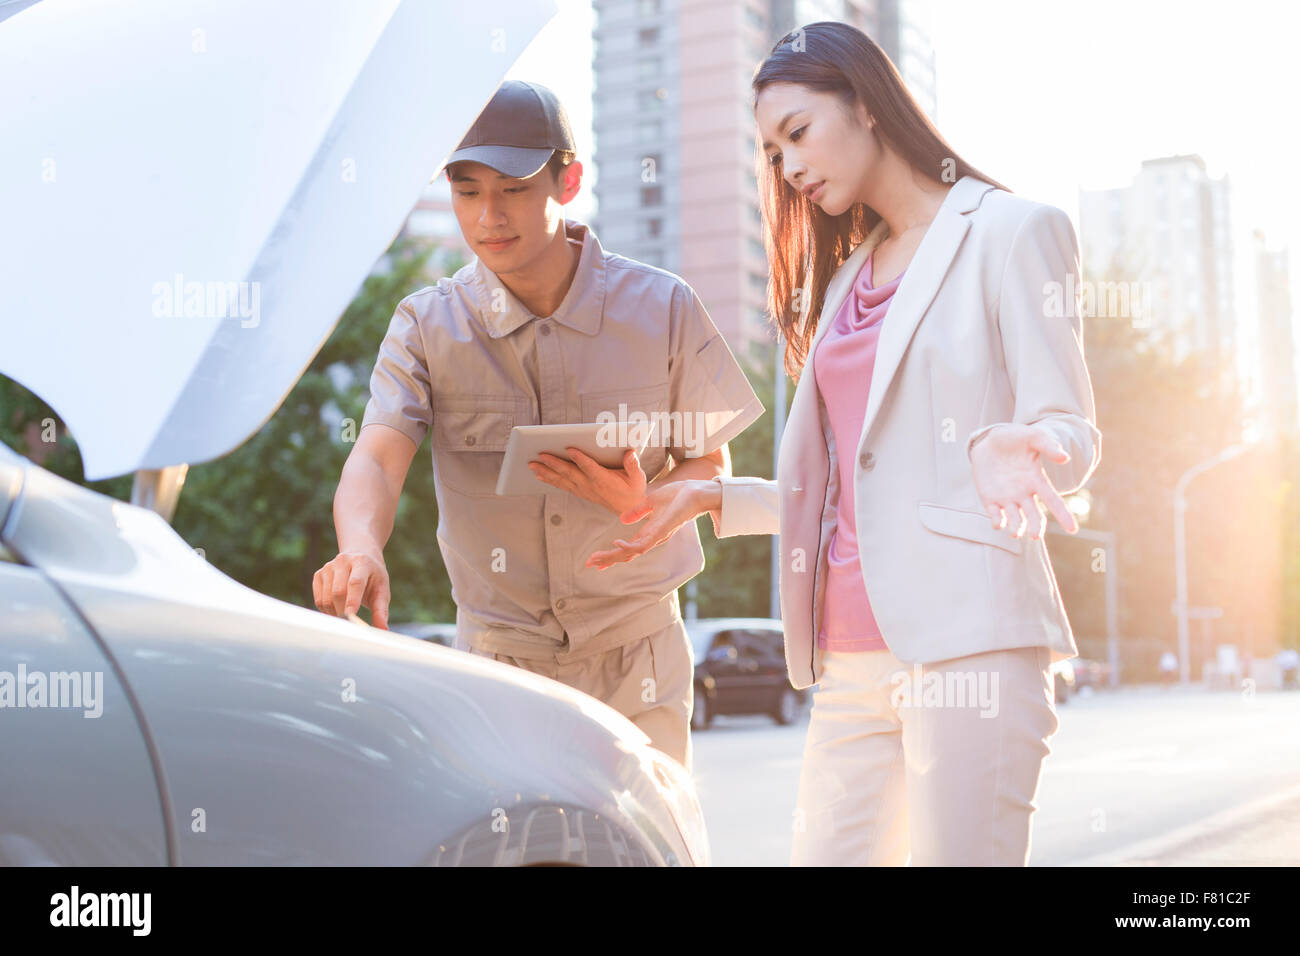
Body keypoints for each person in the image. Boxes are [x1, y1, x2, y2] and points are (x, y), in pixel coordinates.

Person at [578, 23, 1102, 865]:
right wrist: (712, 496)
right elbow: (852, 480)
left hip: (968, 640)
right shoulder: (850, 278)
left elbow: (1070, 429)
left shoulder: (1011, 231)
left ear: (864, 104)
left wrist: (1024, 444)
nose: (787, 167)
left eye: (797, 133)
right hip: (849, 657)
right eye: (771, 151)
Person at [312, 81, 765, 772]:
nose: (488, 216)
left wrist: (646, 505)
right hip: (499, 665)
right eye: (467, 191)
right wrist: (361, 546)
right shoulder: (425, 326)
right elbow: (377, 456)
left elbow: (711, 465)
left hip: (638, 652)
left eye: (513, 188)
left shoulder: (664, 308)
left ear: (569, 179)